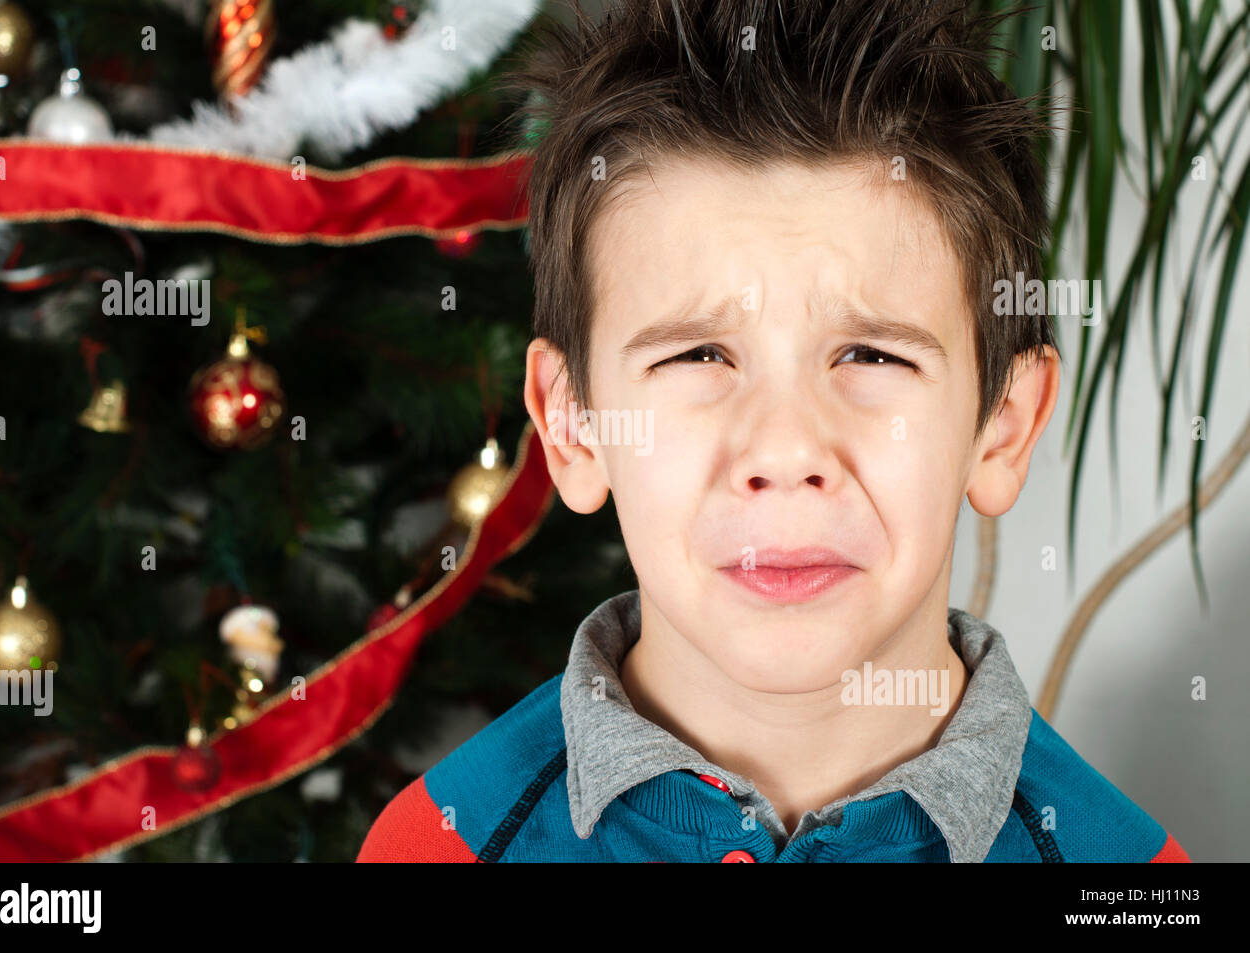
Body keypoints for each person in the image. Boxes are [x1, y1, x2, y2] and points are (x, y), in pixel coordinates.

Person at [357, 0, 1190, 863]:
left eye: (870, 354)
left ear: (1003, 426)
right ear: (572, 423)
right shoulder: (438, 845)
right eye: (699, 354)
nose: (786, 451)